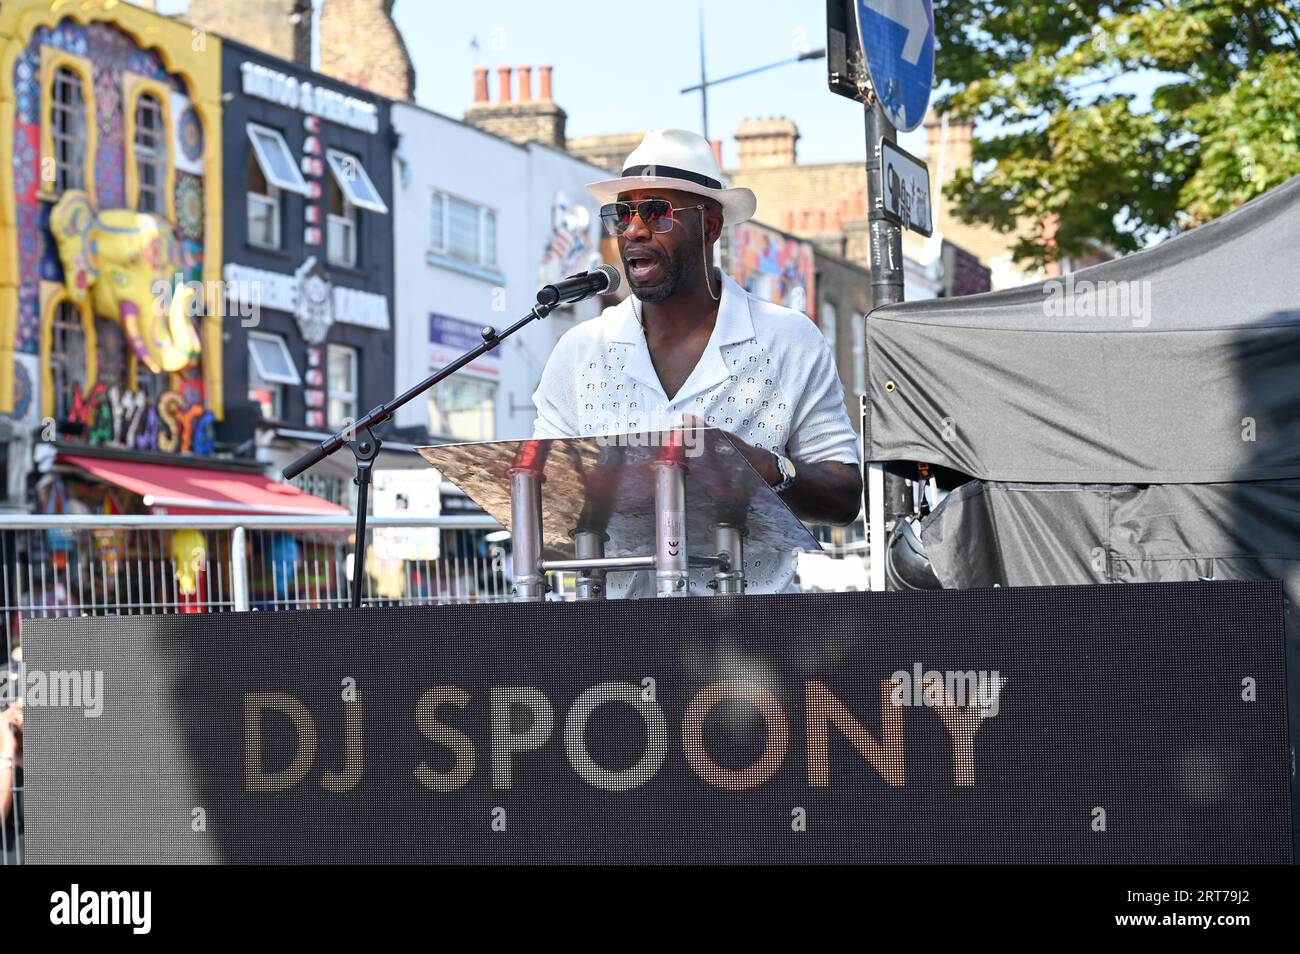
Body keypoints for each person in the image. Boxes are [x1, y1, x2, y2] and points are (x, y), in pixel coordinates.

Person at [532, 129, 862, 596]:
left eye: (657, 212)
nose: (635, 229)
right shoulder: (581, 350)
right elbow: (541, 495)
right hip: (613, 644)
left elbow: (844, 495)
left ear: (710, 226)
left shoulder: (788, 339)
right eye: (622, 214)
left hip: (752, 645)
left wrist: (765, 470)